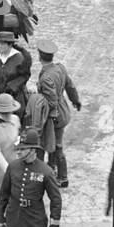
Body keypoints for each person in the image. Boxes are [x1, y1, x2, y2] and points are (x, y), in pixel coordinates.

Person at [36, 40, 81, 187]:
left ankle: (61, 176)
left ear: (39, 56)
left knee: (52, 144)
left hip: (53, 116)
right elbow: (70, 85)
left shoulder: (45, 78)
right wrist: (75, 100)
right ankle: (55, 170)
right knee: (55, 144)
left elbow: (51, 101)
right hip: (63, 111)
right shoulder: (60, 68)